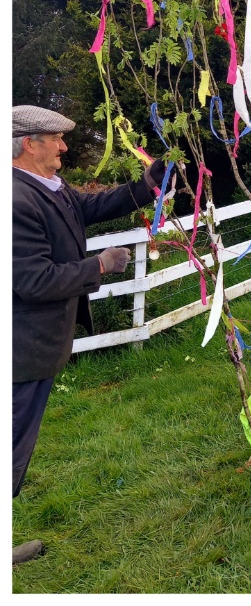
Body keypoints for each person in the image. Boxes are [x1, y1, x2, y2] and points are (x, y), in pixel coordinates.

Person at [12, 105, 167, 565]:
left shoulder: (47, 188)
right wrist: (97, 266)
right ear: (28, 144)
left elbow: (95, 205)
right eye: (55, 140)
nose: (64, 146)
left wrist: (150, 183)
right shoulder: (16, 200)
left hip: (35, 348)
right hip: (21, 350)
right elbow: (32, 280)